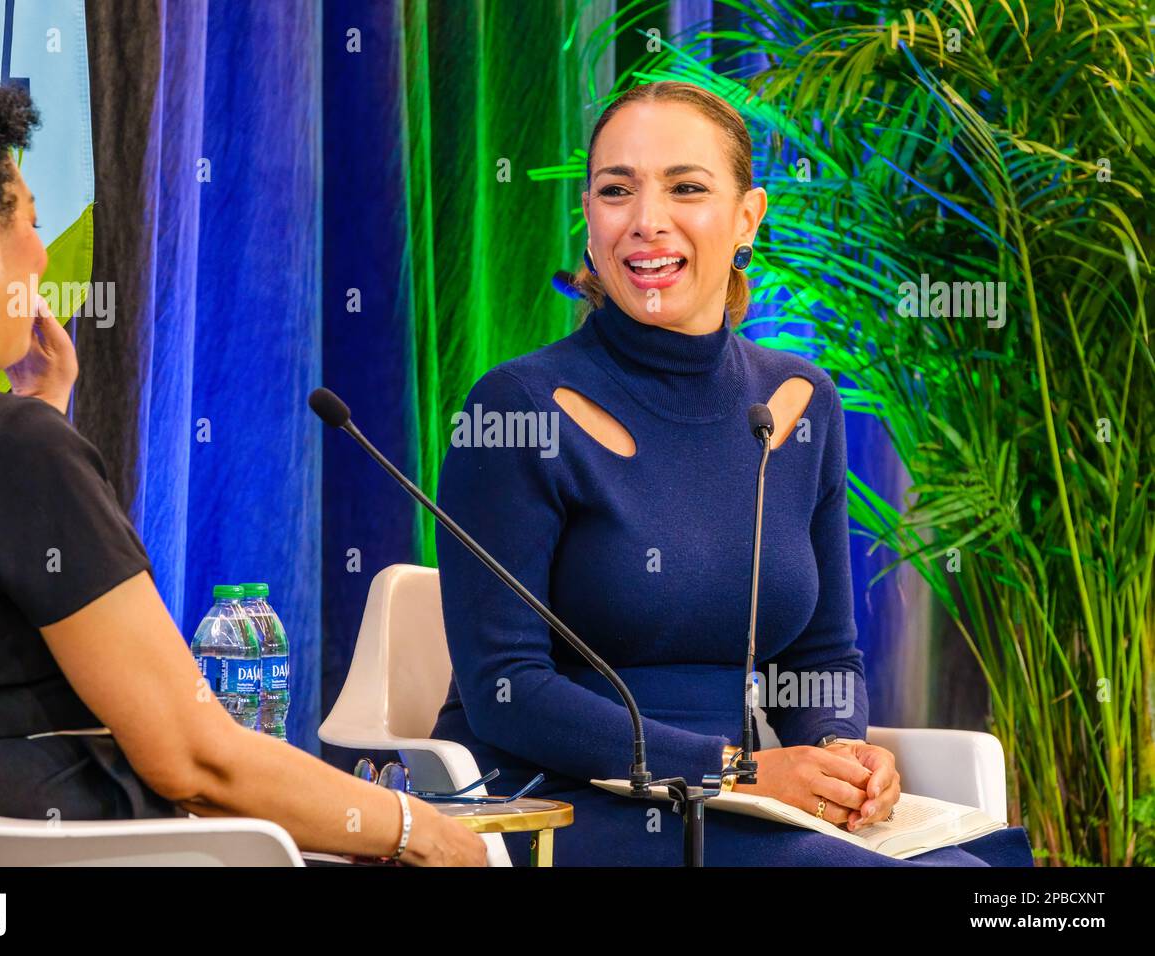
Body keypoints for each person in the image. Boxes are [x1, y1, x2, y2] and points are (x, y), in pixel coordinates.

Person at [0, 61, 484, 867]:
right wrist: (412, 826)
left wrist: (34, 419)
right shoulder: (6, 453)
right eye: (32, 224)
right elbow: (198, 760)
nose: (42, 258)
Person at [430, 81, 1035, 866]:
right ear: (590, 219)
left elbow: (821, 656)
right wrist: (737, 770)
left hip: (742, 799)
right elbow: (508, 693)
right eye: (617, 190)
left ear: (748, 217)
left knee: (1002, 882)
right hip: (556, 802)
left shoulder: (801, 399)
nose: (647, 220)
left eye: (686, 187)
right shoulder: (515, 406)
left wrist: (841, 757)